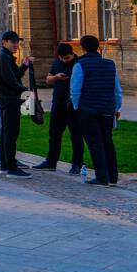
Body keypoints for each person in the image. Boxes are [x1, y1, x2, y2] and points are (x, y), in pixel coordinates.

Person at [71, 34, 122, 186]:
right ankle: (113, 177)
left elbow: (75, 90)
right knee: (108, 142)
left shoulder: (80, 65)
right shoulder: (110, 64)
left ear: (83, 48)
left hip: (88, 109)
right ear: (98, 47)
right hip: (107, 108)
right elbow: (117, 89)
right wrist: (117, 107)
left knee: (95, 143)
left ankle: (102, 177)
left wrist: (76, 106)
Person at [33, 42, 84, 175]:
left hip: (73, 105)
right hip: (58, 103)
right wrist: (56, 77)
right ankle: (51, 162)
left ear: (72, 54)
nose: (63, 60)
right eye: (61, 58)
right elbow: (48, 79)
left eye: (66, 58)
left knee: (76, 135)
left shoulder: (78, 64)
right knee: (54, 134)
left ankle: (77, 164)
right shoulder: (57, 63)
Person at [0, 30, 34, 178]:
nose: (16, 44)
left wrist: (24, 66)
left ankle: (5, 165)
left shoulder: (6, 57)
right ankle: (11, 167)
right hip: (9, 100)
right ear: (4, 42)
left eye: (17, 42)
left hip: (8, 99)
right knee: (10, 134)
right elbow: (11, 81)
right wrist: (27, 92)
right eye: (13, 42)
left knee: (6, 133)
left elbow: (14, 76)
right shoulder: (3, 57)